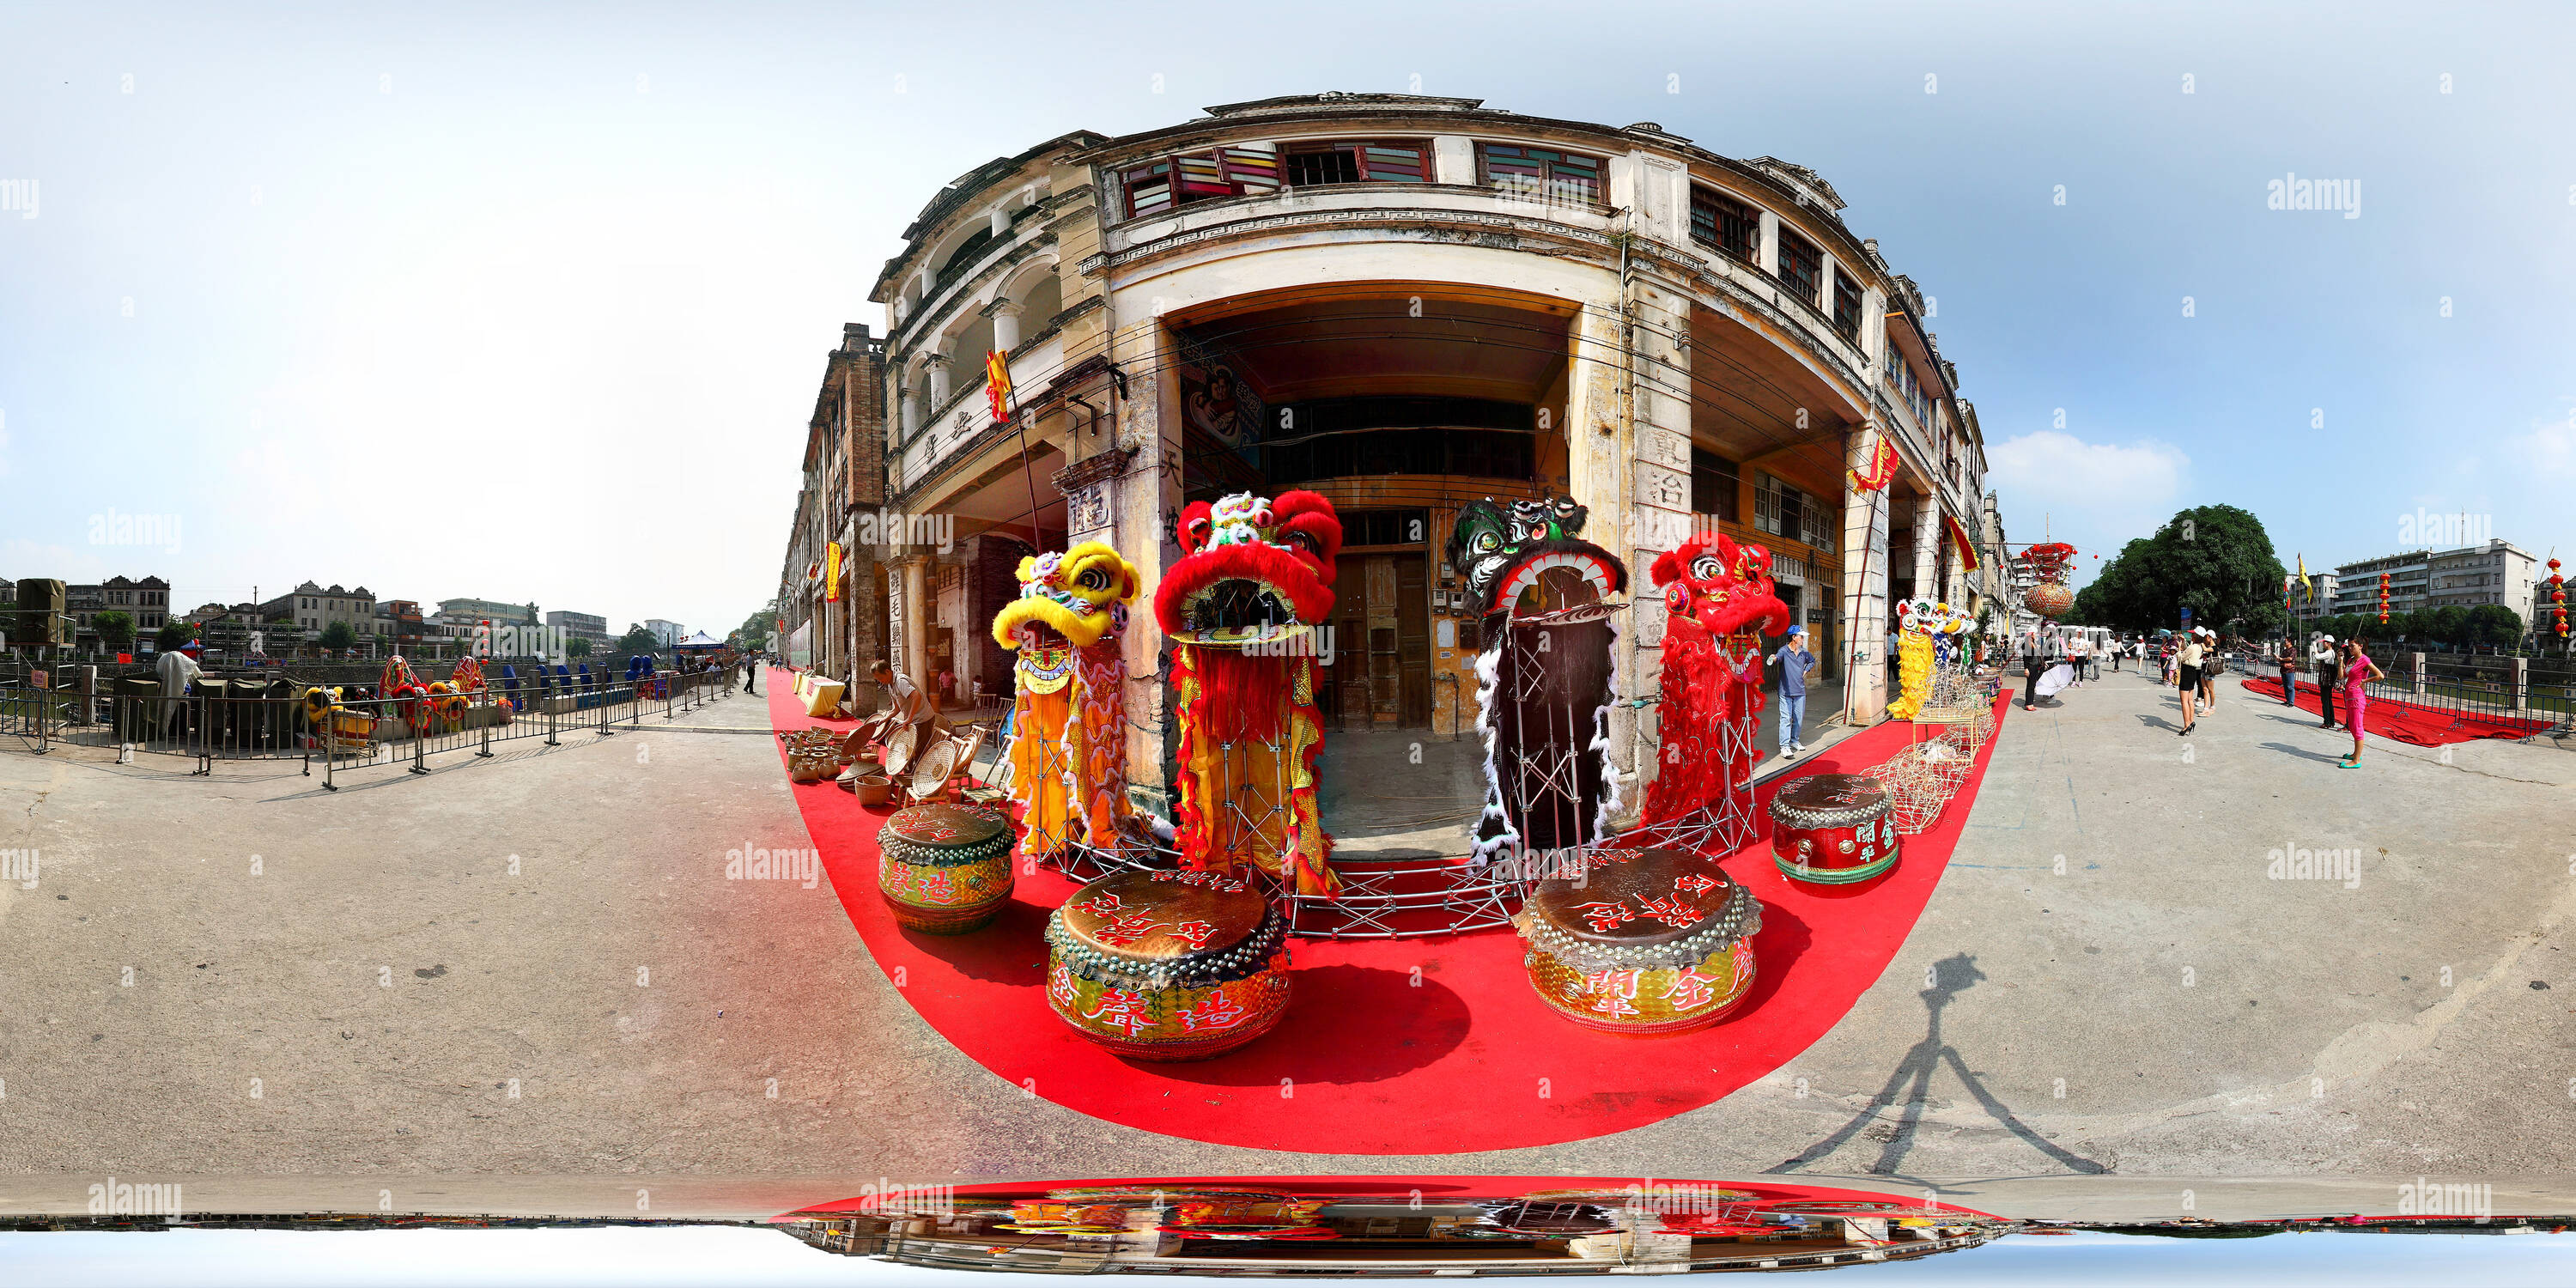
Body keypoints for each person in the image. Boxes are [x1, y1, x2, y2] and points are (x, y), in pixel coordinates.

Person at [2337, 638, 2385, 768]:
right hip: (2349, 697)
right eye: (2349, 646)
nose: (2350, 648)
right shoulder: (2350, 660)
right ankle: (2355, 754)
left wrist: (2365, 681)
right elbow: (2341, 677)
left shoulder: (2364, 660)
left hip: (2357, 698)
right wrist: (2341, 661)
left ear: (2360, 646)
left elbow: (2380, 675)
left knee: (2357, 727)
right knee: (2352, 726)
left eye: (2352, 646)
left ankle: (2356, 761)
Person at [1773, 624, 1817, 758]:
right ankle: (1784, 747)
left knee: (1798, 719)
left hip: (1800, 691)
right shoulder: (1784, 651)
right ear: (1794, 637)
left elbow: (1812, 661)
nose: (1803, 639)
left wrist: (1805, 670)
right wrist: (1773, 658)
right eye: (1801, 636)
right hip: (1785, 692)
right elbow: (1777, 658)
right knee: (1786, 719)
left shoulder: (1804, 652)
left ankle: (1794, 741)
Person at [155, 639, 204, 746]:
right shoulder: (182, 659)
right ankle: (177, 732)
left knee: (166, 708)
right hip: (181, 695)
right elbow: (199, 676)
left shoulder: (164, 659)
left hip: (168, 692)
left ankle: (163, 729)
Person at [2309, 633, 2341, 730]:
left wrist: (2314, 646)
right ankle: (2331, 721)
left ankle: (2327, 722)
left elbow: (2317, 657)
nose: (2323, 644)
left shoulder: (2329, 652)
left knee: (2325, 701)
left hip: (2326, 679)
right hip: (2327, 679)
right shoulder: (2331, 652)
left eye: (2325, 642)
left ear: (2329, 643)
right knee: (2328, 700)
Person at [2175, 629, 2204, 735]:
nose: (2191, 636)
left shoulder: (2192, 647)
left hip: (2186, 672)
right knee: (2190, 700)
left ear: (2195, 637)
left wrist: (2178, 647)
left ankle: (2186, 724)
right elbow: (2187, 650)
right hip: (2192, 672)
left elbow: (2181, 657)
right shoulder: (2199, 647)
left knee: (2184, 701)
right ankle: (2191, 721)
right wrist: (2183, 642)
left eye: (2193, 635)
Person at [2276, 637, 2300, 706]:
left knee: (2290, 686)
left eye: (2285, 641)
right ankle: (2288, 700)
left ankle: (2291, 702)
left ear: (2289, 642)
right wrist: (2278, 658)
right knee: (2286, 686)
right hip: (2283, 670)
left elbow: (2290, 658)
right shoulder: (2284, 651)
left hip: (2290, 670)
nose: (2284, 643)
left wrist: (2282, 659)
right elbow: (2280, 659)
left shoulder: (2293, 650)